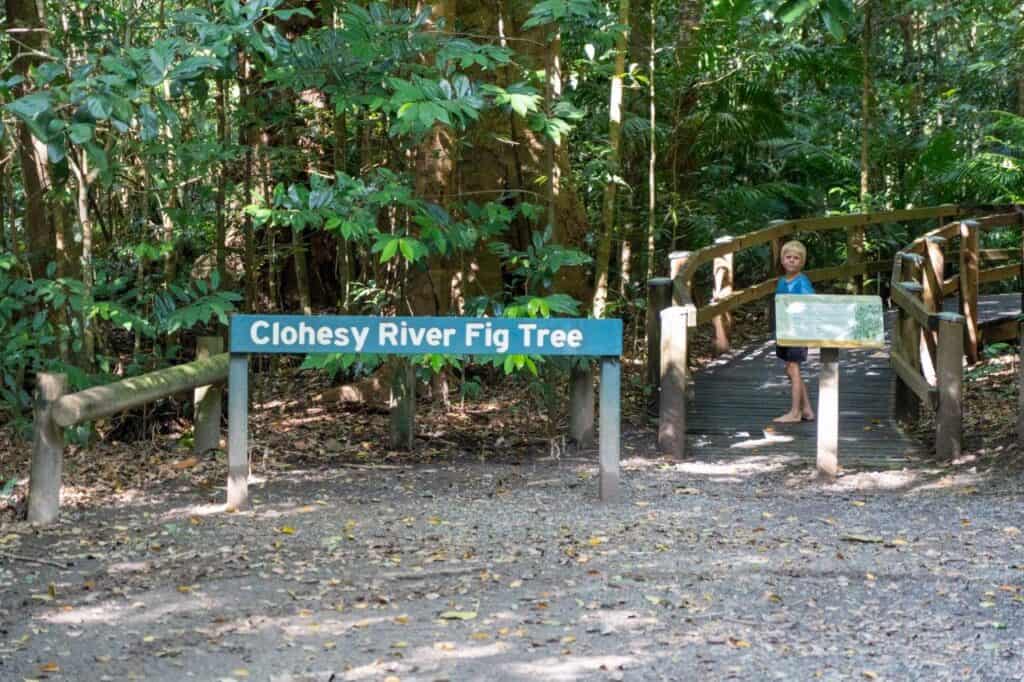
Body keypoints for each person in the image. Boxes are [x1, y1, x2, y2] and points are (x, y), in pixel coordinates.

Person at [774, 240, 815, 423]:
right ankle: (806, 409)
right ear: (782, 260)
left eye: (796, 258)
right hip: (785, 330)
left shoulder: (802, 281)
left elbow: (811, 302)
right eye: (788, 257)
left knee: (793, 367)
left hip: (797, 330)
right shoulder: (782, 281)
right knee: (791, 369)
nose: (791, 261)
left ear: (802, 262)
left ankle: (795, 413)